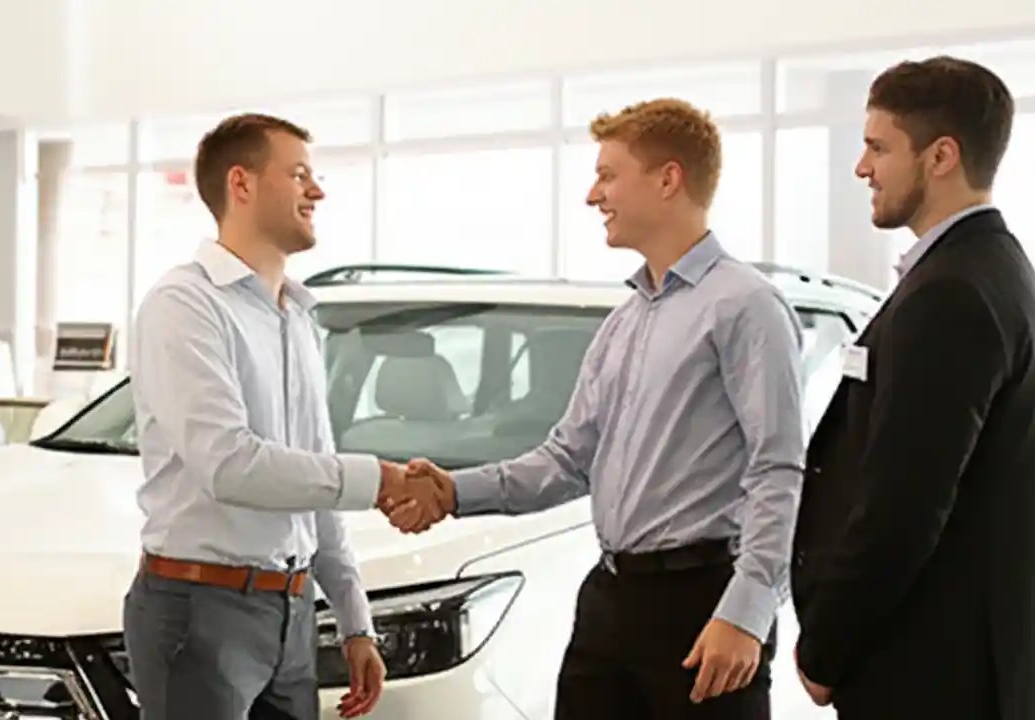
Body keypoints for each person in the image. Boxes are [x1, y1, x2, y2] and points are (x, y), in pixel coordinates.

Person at [393, 98, 806, 719]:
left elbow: (778, 469)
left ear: (669, 179)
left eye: (608, 174)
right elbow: (567, 460)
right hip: (610, 599)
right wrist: (452, 491)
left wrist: (746, 614)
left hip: (701, 605)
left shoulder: (745, 306)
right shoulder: (625, 320)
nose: (593, 195)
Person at [123, 112, 420, 720]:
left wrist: (354, 619)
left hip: (291, 611)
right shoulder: (185, 303)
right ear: (242, 184)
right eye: (300, 174)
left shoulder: (298, 317)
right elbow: (230, 466)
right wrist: (382, 481)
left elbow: (315, 477)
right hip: (200, 609)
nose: (318, 191)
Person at [790, 56, 1035, 719]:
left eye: (877, 147)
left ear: (941, 157)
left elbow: (904, 504)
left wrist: (825, 650)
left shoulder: (951, 293)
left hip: (927, 670)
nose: (861, 168)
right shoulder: (997, 267)